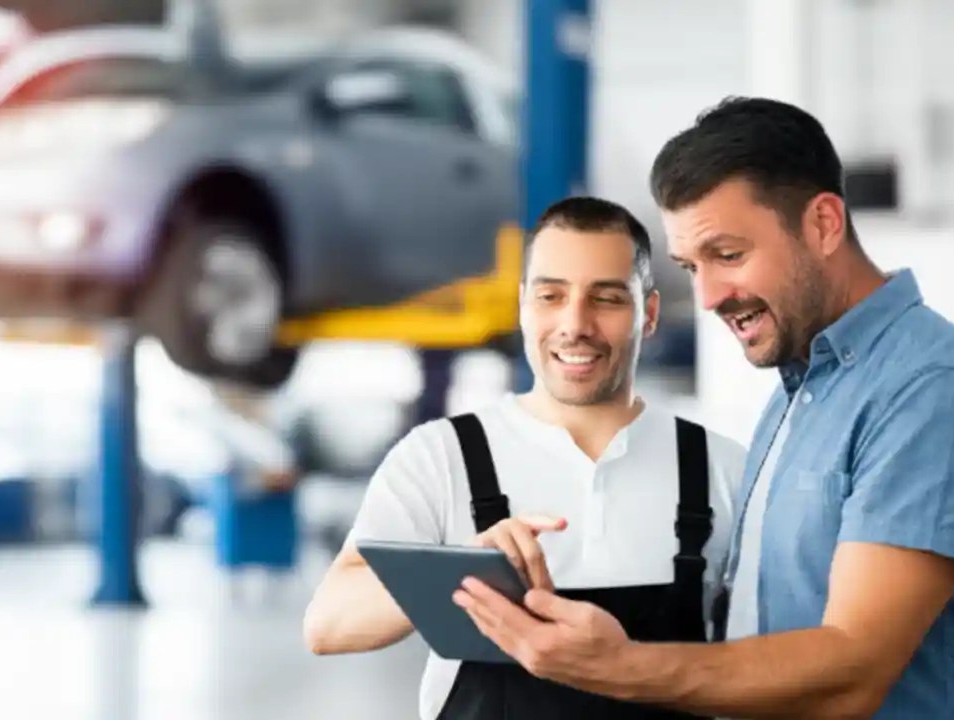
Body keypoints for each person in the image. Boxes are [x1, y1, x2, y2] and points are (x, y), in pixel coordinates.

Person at [453, 96, 954, 719]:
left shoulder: (931, 390)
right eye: (690, 266)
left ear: (823, 224)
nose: (707, 296)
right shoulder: (798, 392)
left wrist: (616, 665)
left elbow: (853, 670)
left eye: (728, 256)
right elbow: (761, 631)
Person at [303, 196, 748, 720]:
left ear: (647, 314)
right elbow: (327, 625)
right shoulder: (440, 457)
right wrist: (461, 574)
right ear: (523, 306)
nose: (575, 324)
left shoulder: (722, 469)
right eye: (550, 296)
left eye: (606, 298)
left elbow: (769, 659)